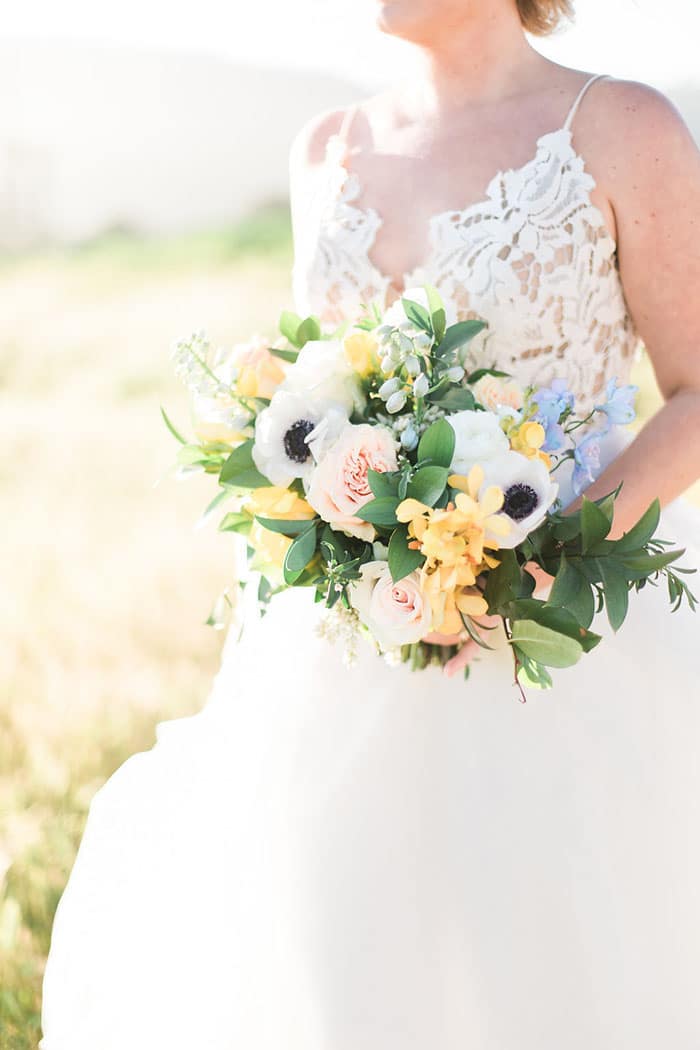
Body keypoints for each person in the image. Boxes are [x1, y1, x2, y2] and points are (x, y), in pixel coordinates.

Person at [41, 1, 700, 1046]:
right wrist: (345, 540)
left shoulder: (620, 129)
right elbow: (329, 391)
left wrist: (536, 561)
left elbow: (695, 389)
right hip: (349, 650)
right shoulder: (326, 149)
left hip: (564, 649)